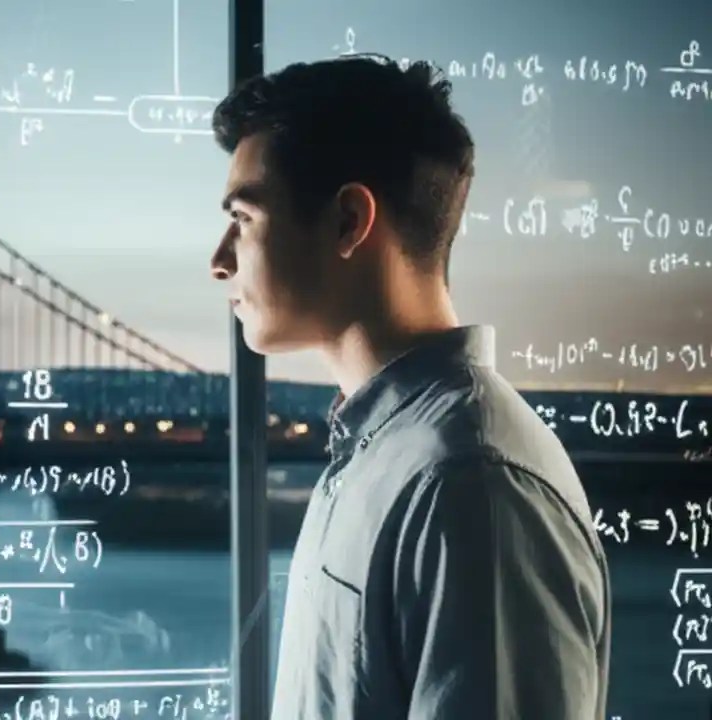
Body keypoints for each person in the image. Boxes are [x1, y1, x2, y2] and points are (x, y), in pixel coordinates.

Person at [208, 55, 612, 719]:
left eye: (244, 219)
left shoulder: (470, 486)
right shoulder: (386, 454)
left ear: (349, 221)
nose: (219, 260)